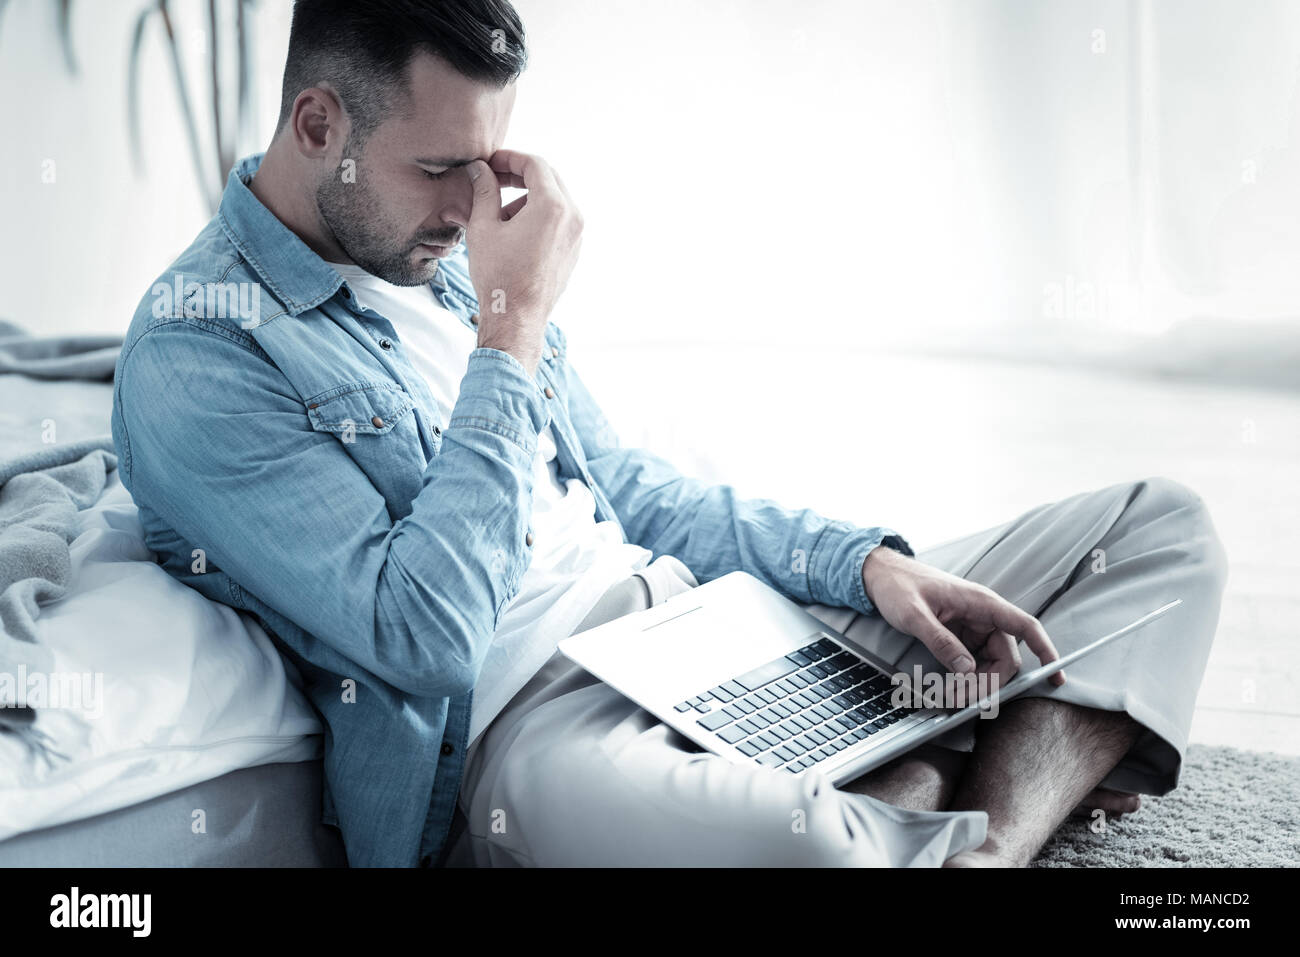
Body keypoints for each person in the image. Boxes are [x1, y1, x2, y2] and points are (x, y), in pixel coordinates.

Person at [111, 0, 1228, 867]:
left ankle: (954, 810)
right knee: (802, 854)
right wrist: (512, 329)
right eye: (437, 168)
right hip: (531, 726)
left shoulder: (436, 264)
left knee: (1156, 535)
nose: (465, 213)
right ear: (319, 125)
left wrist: (868, 566)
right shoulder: (198, 354)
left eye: (485, 165)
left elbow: (635, 491)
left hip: (698, 626)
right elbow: (425, 639)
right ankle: (998, 779)